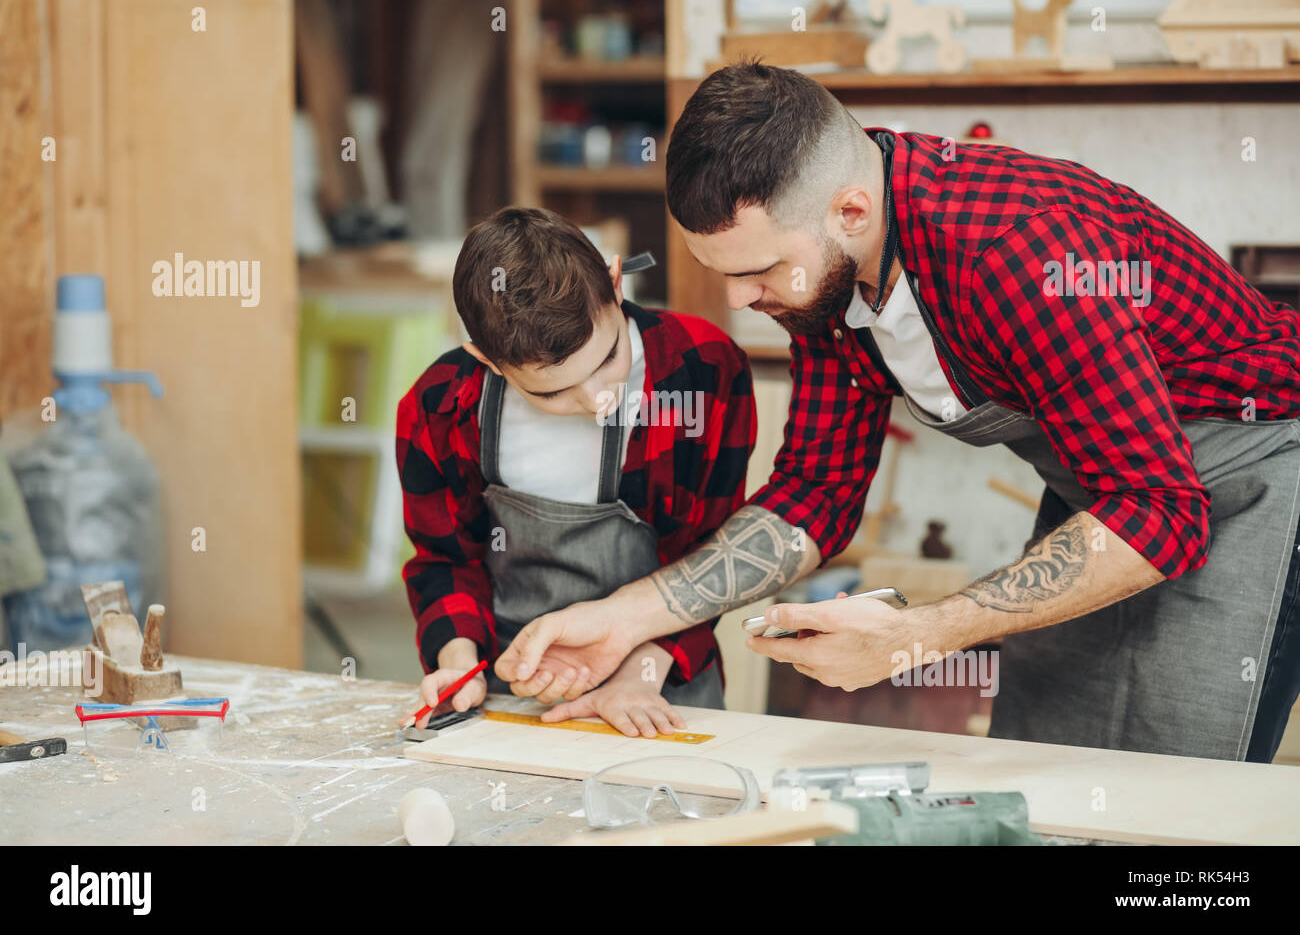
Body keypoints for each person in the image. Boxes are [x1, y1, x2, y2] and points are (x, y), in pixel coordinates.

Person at [495, 62, 1300, 762]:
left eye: (760, 270)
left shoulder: (1020, 252)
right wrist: (624, 617)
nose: (740, 299)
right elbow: (815, 491)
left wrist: (921, 633)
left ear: (851, 212)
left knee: (1175, 792)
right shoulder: (822, 281)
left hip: (1257, 473)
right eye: (724, 273)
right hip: (1110, 491)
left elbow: (1162, 512)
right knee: (1050, 767)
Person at [396, 206, 755, 737]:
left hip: (656, 688)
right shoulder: (442, 403)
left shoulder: (702, 368)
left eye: (608, 359)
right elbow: (446, 560)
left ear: (615, 283)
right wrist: (457, 666)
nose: (598, 399)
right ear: (486, 359)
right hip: (512, 688)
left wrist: (636, 677)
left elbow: (713, 558)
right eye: (554, 392)